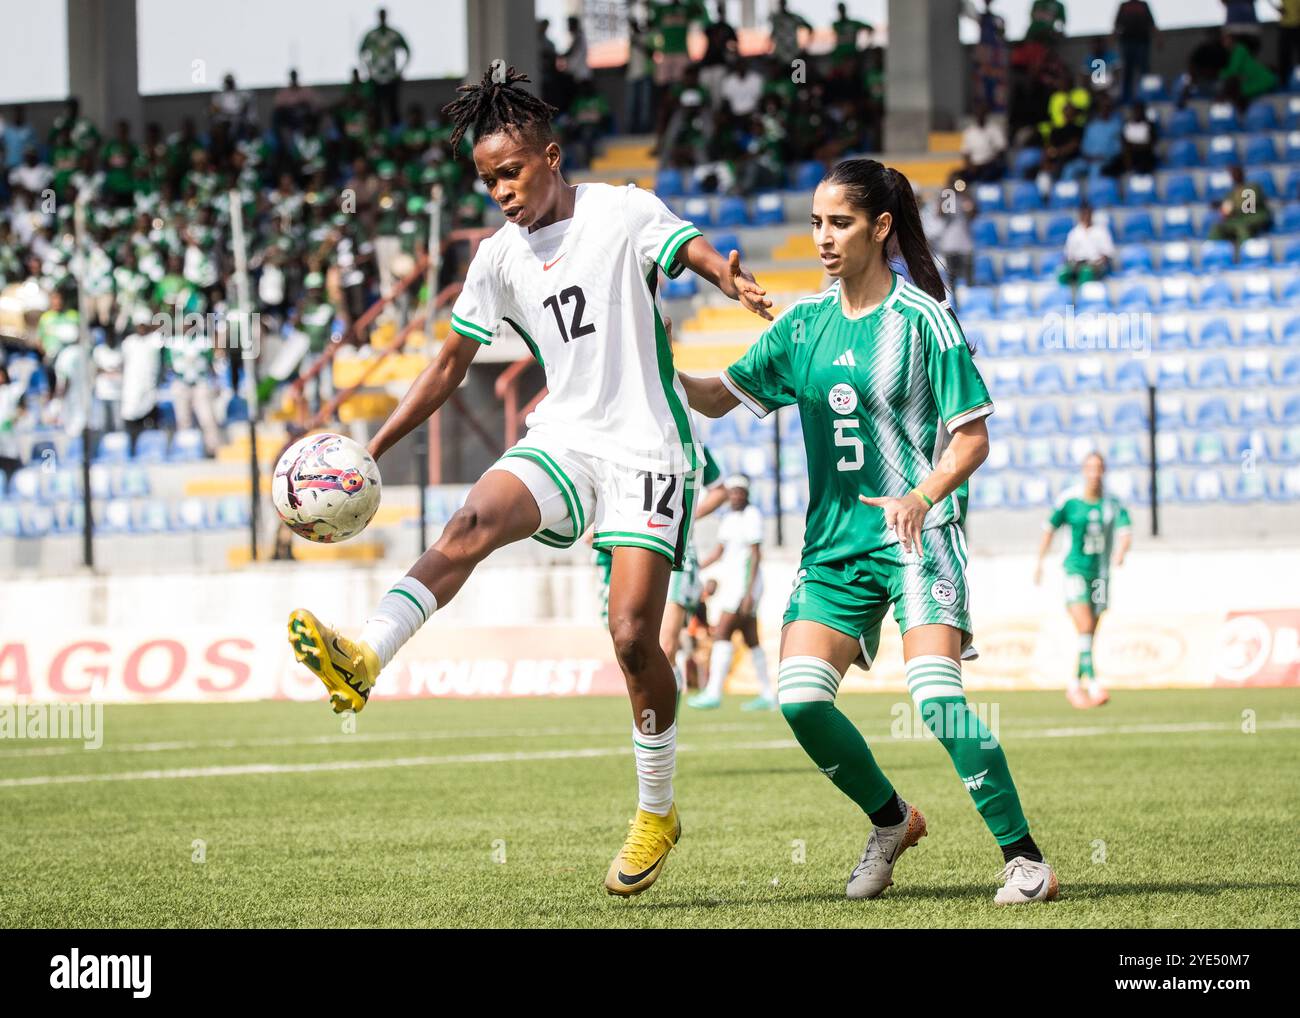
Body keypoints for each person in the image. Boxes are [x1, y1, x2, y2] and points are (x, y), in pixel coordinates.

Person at [285, 66, 772, 900]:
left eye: (511, 172)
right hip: (566, 437)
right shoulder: (499, 258)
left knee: (630, 638)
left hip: (650, 449)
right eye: (487, 180)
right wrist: (373, 447)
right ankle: (366, 655)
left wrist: (725, 275)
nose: (502, 191)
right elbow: (448, 364)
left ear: (550, 156)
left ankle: (657, 809)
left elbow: (682, 248)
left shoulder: (620, 208)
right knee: (471, 520)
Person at [676, 157, 1059, 905]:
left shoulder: (924, 320)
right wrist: (653, 363)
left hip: (918, 537)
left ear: (881, 227)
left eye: (840, 222)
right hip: (834, 552)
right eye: (817, 222)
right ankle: (891, 821)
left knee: (937, 700)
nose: (823, 237)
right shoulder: (804, 324)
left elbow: (973, 438)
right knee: (800, 702)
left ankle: (1026, 860)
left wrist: (920, 492)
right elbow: (718, 396)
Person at [1034, 452, 1131, 709]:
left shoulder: (1112, 502)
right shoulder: (1070, 500)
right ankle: (1096, 684)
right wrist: (1039, 562)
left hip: (1100, 574)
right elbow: (1049, 529)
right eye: (1090, 467)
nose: (1094, 472)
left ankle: (1075, 685)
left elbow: (1126, 530)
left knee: (1089, 631)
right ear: (1083, 471)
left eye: (1099, 467)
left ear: (1104, 471)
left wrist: (1122, 551)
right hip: (1074, 570)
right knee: (1085, 623)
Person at [689, 473, 776, 711]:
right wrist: (695, 567)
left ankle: (713, 692)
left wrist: (749, 593)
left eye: (740, 492)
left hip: (745, 585)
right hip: (735, 584)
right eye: (733, 491)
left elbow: (755, 554)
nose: (735, 496)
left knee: (722, 633)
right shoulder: (729, 518)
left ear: (747, 494)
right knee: (751, 639)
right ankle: (768, 695)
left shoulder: (752, 515)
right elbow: (719, 551)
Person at [359, 8, 411, 129]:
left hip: (391, 76)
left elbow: (407, 51)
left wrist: (400, 71)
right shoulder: (372, 35)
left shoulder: (393, 34)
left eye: (383, 15)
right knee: (376, 108)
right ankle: (379, 135)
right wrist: (368, 70)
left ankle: (394, 134)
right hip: (376, 77)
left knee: (393, 107)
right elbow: (361, 52)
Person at [1209, 164, 1273, 245]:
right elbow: (1225, 211)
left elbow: (1248, 207)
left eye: (1234, 173)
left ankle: (1244, 253)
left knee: (1242, 228)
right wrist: (1222, 208)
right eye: (1232, 174)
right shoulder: (1231, 193)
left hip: (1254, 217)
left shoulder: (1252, 187)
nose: (1233, 176)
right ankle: (1213, 252)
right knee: (1217, 228)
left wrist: (1231, 207)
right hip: (1237, 220)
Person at [1113, 0, 1156, 106]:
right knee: (1127, 72)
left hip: (1142, 42)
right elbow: (1116, 25)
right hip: (1127, 42)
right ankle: (1126, 98)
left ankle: (1147, 95)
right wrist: (1112, 38)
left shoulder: (1143, 5)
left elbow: (1151, 23)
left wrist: (1159, 38)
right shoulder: (1124, 6)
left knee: (1144, 71)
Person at [1059, 205, 1114, 285]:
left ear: (1091, 215)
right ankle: (1064, 296)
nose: (1086, 216)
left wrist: (1098, 262)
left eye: (1088, 214)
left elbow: (1108, 254)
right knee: (1063, 274)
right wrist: (1071, 263)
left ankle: (1083, 296)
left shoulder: (1101, 231)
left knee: (1086, 272)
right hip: (1078, 264)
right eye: (1083, 214)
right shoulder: (1074, 233)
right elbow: (1068, 255)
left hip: (1095, 265)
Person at [699, 1, 738, 111]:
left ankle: (717, 115)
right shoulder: (711, 27)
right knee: (705, 91)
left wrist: (731, 56)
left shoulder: (728, 28)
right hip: (707, 63)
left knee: (718, 94)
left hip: (720, 64)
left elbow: (735, 45)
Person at [624, 15, 656, 135]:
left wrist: (637, 42)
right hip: (632, 76)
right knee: (631, 105)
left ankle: (644, 129)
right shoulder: (632, 37)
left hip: (645, 75)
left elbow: (651, 53)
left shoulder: (648, 36)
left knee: (645, 106)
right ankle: (631, 130)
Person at [769, 0, 813, 67]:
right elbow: (773, 35)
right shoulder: (776, 18)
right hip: (780, 57)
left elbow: (809, 28)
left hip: (794, 55)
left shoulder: (793, 18)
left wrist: (805, 46)